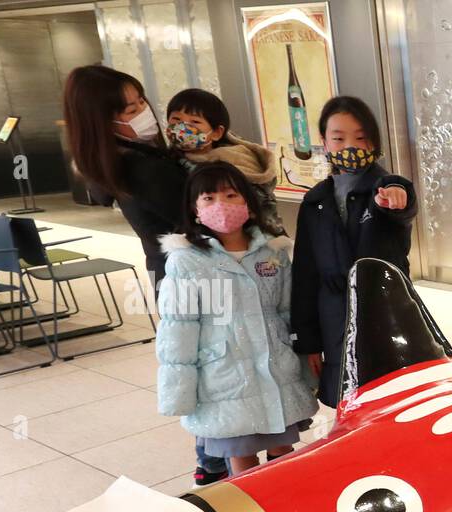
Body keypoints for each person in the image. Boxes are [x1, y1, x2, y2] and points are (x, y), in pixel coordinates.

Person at [62, 64, 228, 486]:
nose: (142, 112)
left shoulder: (127, 158)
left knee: (208, 365)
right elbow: (205, 222)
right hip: (196, 279)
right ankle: (215, 466)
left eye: (141, 102)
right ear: (103, 121)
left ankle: (213, 462)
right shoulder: (143, 166)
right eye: (128, 108)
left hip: (173, 277)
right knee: (217, 368)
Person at [155, 162, 316, 477]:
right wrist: (178, 392)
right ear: (194, 209)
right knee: (240, 454)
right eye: (209, 199)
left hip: (275, 370)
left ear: (249, 205)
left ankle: (285, 504)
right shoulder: (186, 261)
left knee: (283, 450)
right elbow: (178, 328)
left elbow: (288, 311)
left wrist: (303, 358)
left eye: (231, 195)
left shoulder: (273, 253)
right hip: (224, 375)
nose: (222, 206)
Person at [291, 95, 417, 407]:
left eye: (361, 138)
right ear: (324, 141)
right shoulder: (314, 202)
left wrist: (398, 199)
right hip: (335, 316)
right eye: (339, 137)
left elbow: (402, 203)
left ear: (374, 142)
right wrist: (308, 342)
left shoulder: (386, 187)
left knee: (391, 400)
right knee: (347, 404)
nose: (350, 146)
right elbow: (305, 276)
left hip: (386, 311)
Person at [165, 88, 284, 234]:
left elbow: (263, 208)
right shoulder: (169, 161)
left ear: (216, 133)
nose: (182, 128)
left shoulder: (236, 159)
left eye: (195, 121)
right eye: (176, 119)